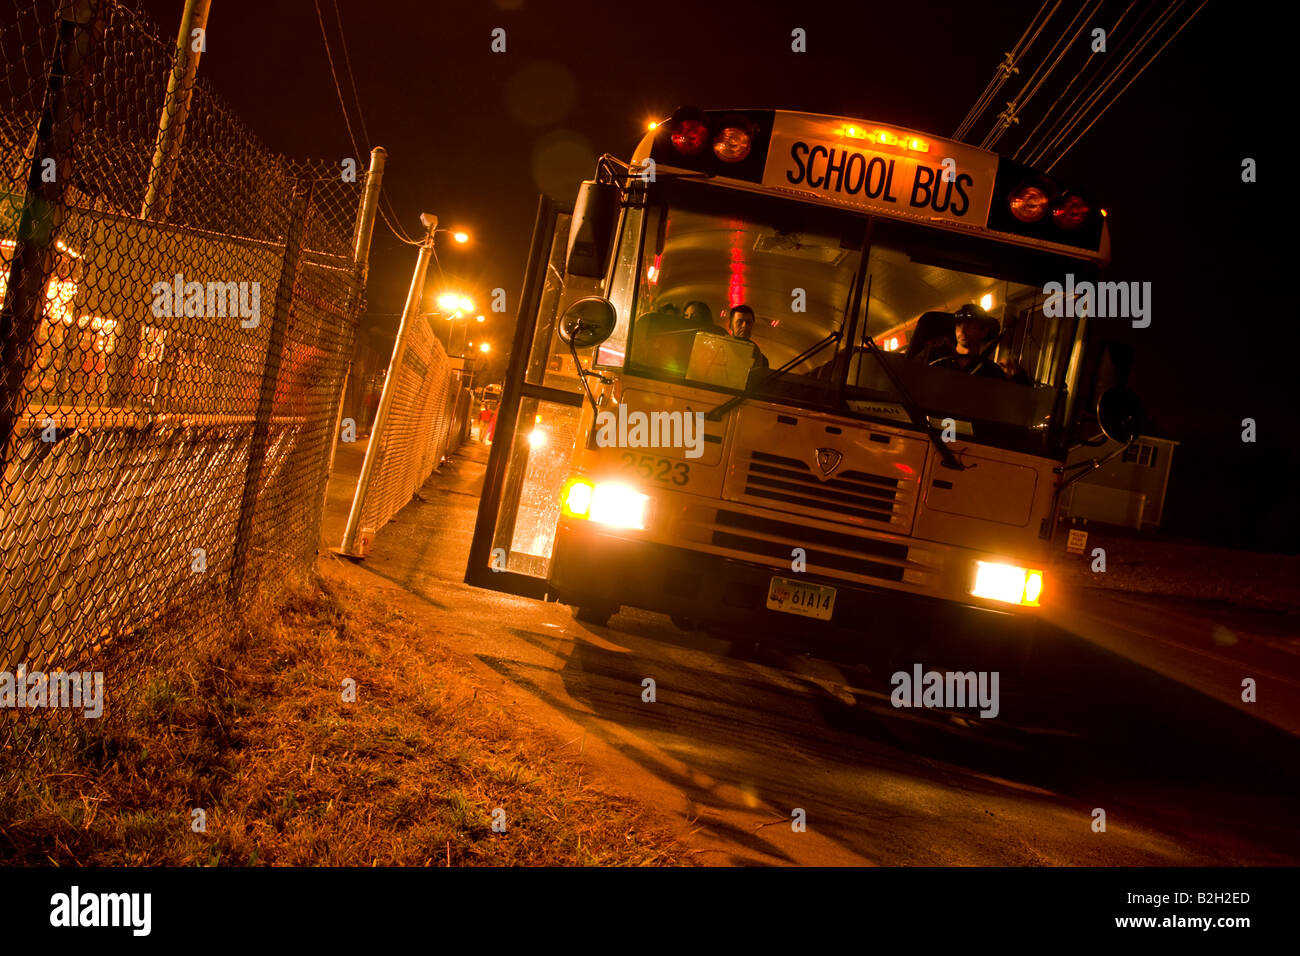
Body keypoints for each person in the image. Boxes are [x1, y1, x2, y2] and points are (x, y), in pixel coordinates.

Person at [926, 303, 1003, 379]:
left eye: (969, 325)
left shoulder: (992, 372)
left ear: (984, 332)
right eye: (959, 325)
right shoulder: (936, 360)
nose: (962, 330)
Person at [726, 304, 770, 369]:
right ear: (730, 325)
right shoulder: (721, 349)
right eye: (740, 322)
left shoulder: (761, 358)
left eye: (748, 322)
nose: (744, 326)